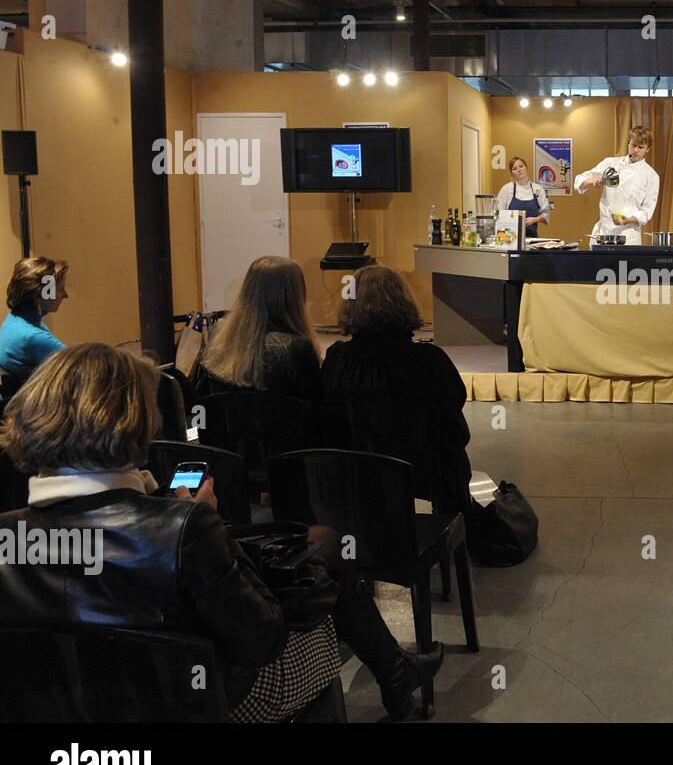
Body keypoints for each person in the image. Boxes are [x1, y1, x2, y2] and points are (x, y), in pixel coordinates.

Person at [0, 343, 442, 722]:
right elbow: (261, 639)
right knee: (319, 609)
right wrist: (213, 527)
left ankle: (396, 670)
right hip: (208, 705)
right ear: (133, 423)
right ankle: (392, 673)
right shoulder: (181, 528)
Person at [322, 265, 470, 514]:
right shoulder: (429, 361)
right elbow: (453, 421)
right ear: (404, 301)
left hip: (353, 471)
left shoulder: (338, 359)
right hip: (422, 470)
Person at [195, 255, 321, 399]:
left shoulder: (219, 344)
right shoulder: (299, 350)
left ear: (248, 292)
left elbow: (202, 405)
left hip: (230, 421)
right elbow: (316, 410)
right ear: (296, 299)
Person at [571, 125, 660, 244]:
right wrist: (594, 181)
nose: (635, 150)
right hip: (604, 231)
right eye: (633, 145)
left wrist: (627, 220)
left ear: (647, 149)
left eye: (641, 147)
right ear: (628, 143)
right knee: (598, 263)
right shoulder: (611, 163)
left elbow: (646, 212)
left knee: (624, 263)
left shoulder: (651, 176)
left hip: (629, 235)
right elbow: (579, 182)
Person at [0, 256, 68, 391]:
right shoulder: (33, 337)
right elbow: (85, 369)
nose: (65, 295)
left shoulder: (13, 322)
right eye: (60, 289)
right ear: (39, 294)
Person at [494, 155, 553, 239]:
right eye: (515, 168)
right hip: (509, 240)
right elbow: (498, 216)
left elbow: (545, 215)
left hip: (532, 239)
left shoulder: (538, 189)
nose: (519, 170)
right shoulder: (506, 189)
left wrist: (534, 220)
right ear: (512, 173)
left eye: (521, 166)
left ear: (526, 168)